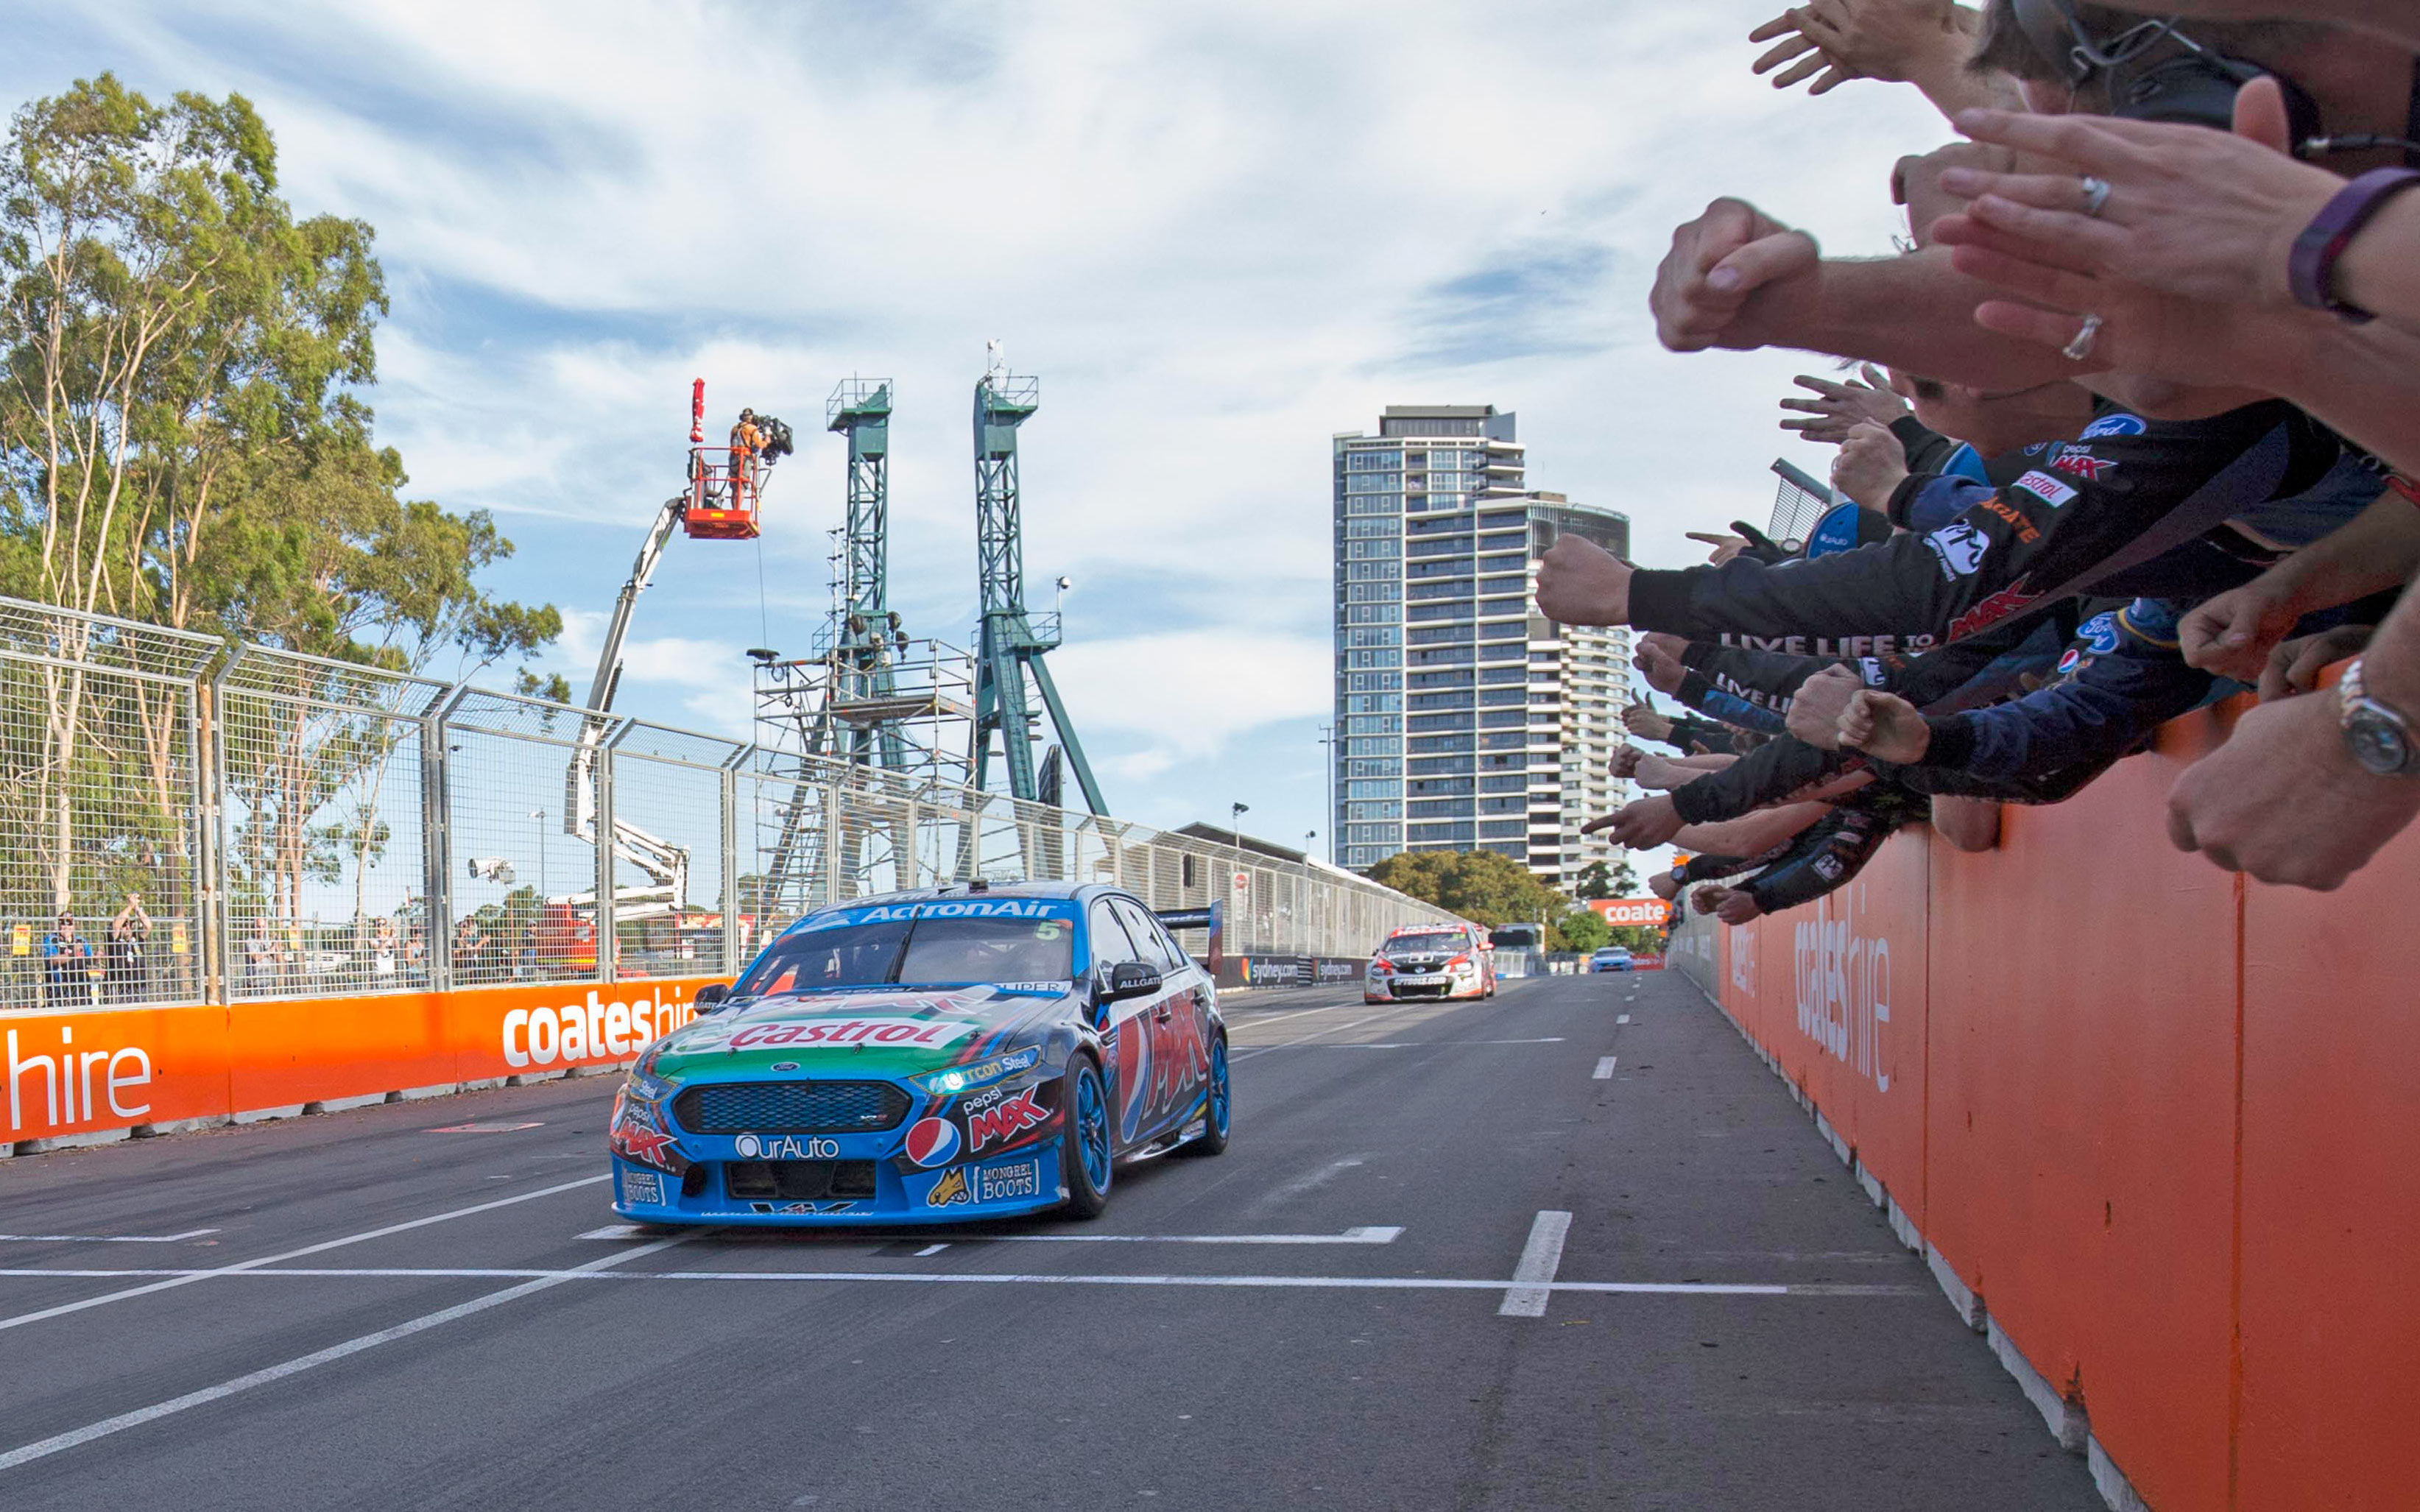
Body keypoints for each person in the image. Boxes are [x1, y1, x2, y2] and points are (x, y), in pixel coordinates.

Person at [42, 912, 92, 1008]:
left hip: (82, 987)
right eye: (63, 923)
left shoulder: (81, 940)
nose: (66, 926)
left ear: (74, 926)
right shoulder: (51, 939)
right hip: (60, 988)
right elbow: (52, 960)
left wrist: (98, 957)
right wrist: (72, 954)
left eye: (69, 923)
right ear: (59, 925)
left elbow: (90, 958)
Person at [107, 893, 151, 1004]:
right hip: (120, 985)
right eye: (125, 925)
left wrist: (136, 908)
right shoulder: (115, 939)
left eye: (130, 925)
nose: (127, 927)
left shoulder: (137, 937)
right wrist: (129, 906)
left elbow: (148, 926)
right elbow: (116, 925)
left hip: (139, 983)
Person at [728, 408, 764, 507]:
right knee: (742, 485)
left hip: (733, 458)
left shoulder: (735, 428)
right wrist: (767, 441)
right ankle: (738, 509)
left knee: (735, 485)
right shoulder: (752, 429)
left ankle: (734, 509)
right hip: (744, 458)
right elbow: (758, 444)